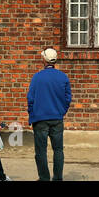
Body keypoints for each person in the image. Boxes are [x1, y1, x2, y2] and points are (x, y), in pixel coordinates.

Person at [27, 47, 72, 181]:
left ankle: (44, 178)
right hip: (57, 117)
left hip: (40, 118)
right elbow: (67, 98)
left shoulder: (37, 77)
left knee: (41, 151)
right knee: (58, 149)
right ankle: (57, 178)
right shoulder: (63, 76)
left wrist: (32, 114)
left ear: (44, 60)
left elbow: (30, 98)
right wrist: (62, 111)